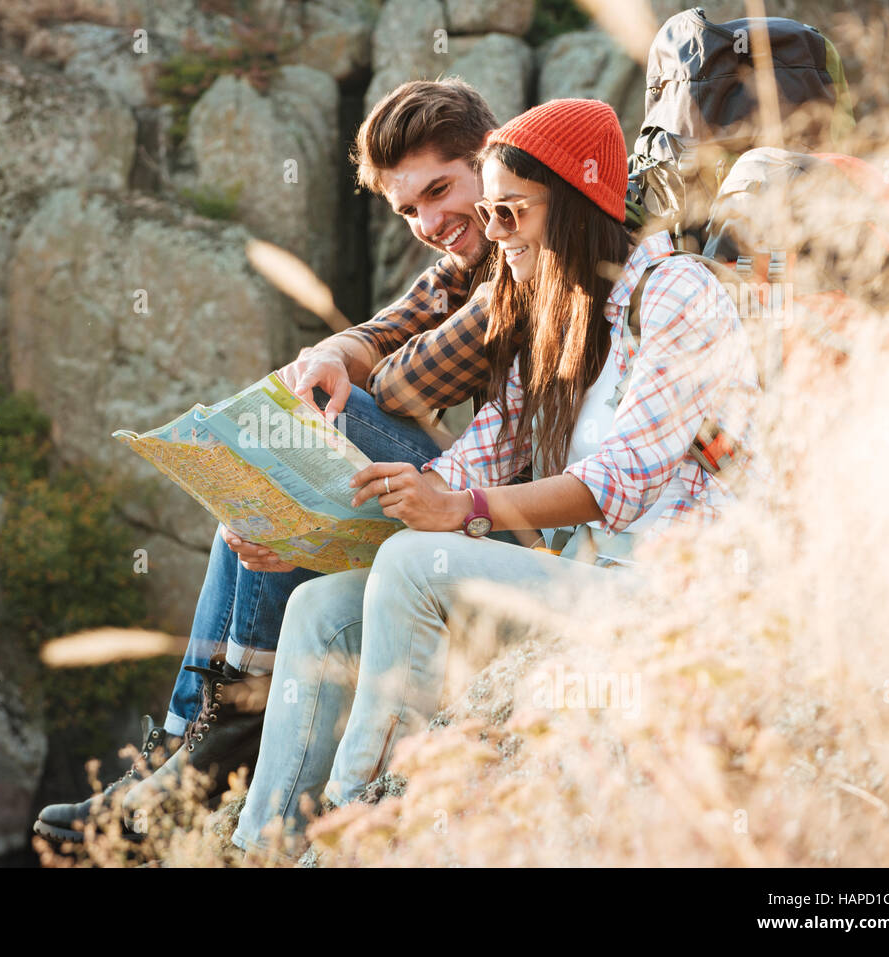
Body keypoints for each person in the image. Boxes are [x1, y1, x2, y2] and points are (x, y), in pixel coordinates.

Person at [231, 98, 766, 859]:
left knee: (419, 561)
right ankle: (261, 847)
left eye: (511, 212)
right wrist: (305, 537)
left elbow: (623, 478)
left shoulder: (676, 293)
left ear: (579, 202)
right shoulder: (551, 316)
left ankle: (357, 823)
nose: (495, 234)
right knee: (320, 604)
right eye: (490, 211)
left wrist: (461, 509)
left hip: (667, 600)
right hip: (578, 585)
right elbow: (468, 460)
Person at [34, 78, 526, 847]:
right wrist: (334, 351)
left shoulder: (529, 253)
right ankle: (182, 742)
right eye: (408, 210)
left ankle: (220, 738)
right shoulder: (468, 260)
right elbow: (382, 328)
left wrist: (355, 372)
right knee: (251, 495)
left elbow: (406, 378)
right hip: (461, 497)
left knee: (343, 415)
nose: (430, 222)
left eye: (441, 190)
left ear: (488, 162)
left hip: (514, 533)